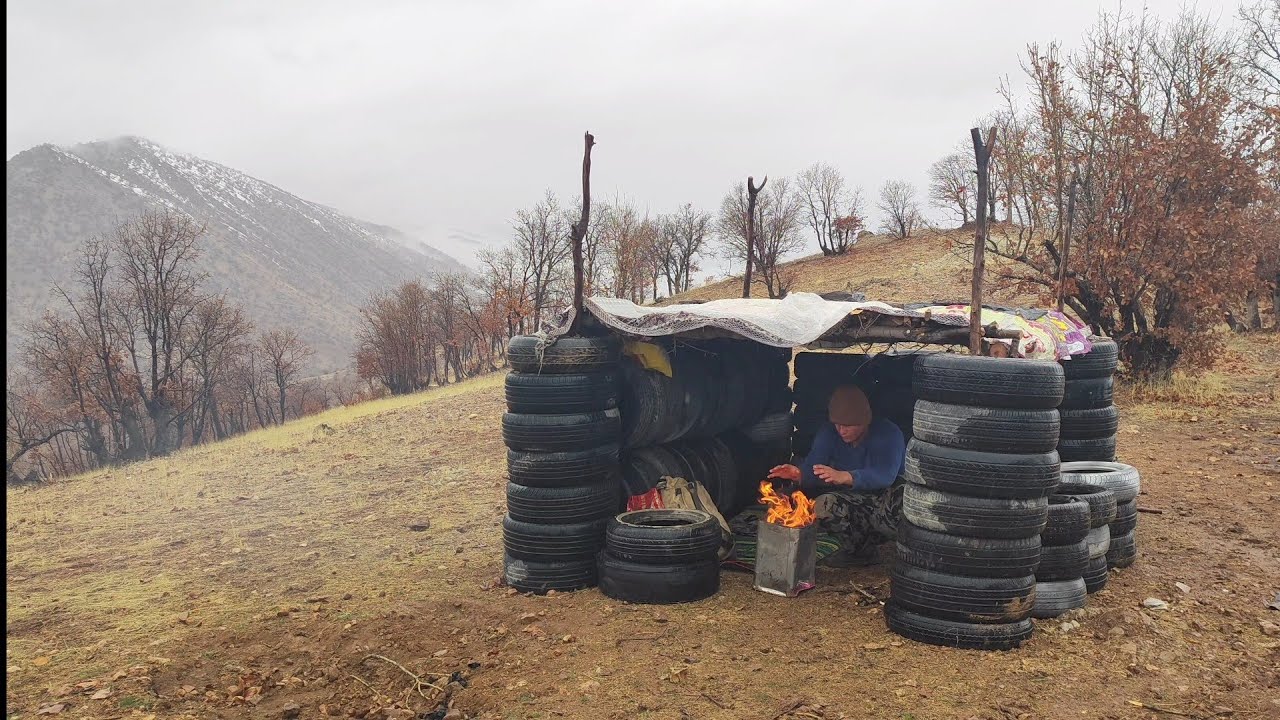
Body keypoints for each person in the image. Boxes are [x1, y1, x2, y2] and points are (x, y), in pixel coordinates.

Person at [768, 384, 906, 566]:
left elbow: (885, 474)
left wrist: (847, 476)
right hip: (856, 500)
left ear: (865, 421)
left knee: (904, 496)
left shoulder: (888, 433)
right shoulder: (829, 433)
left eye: (848, 426)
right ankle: (860, 551)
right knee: (823, 505)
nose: (842, 430)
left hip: (886, 499)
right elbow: (815, 467)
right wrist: (799, 474)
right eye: (838, 425)